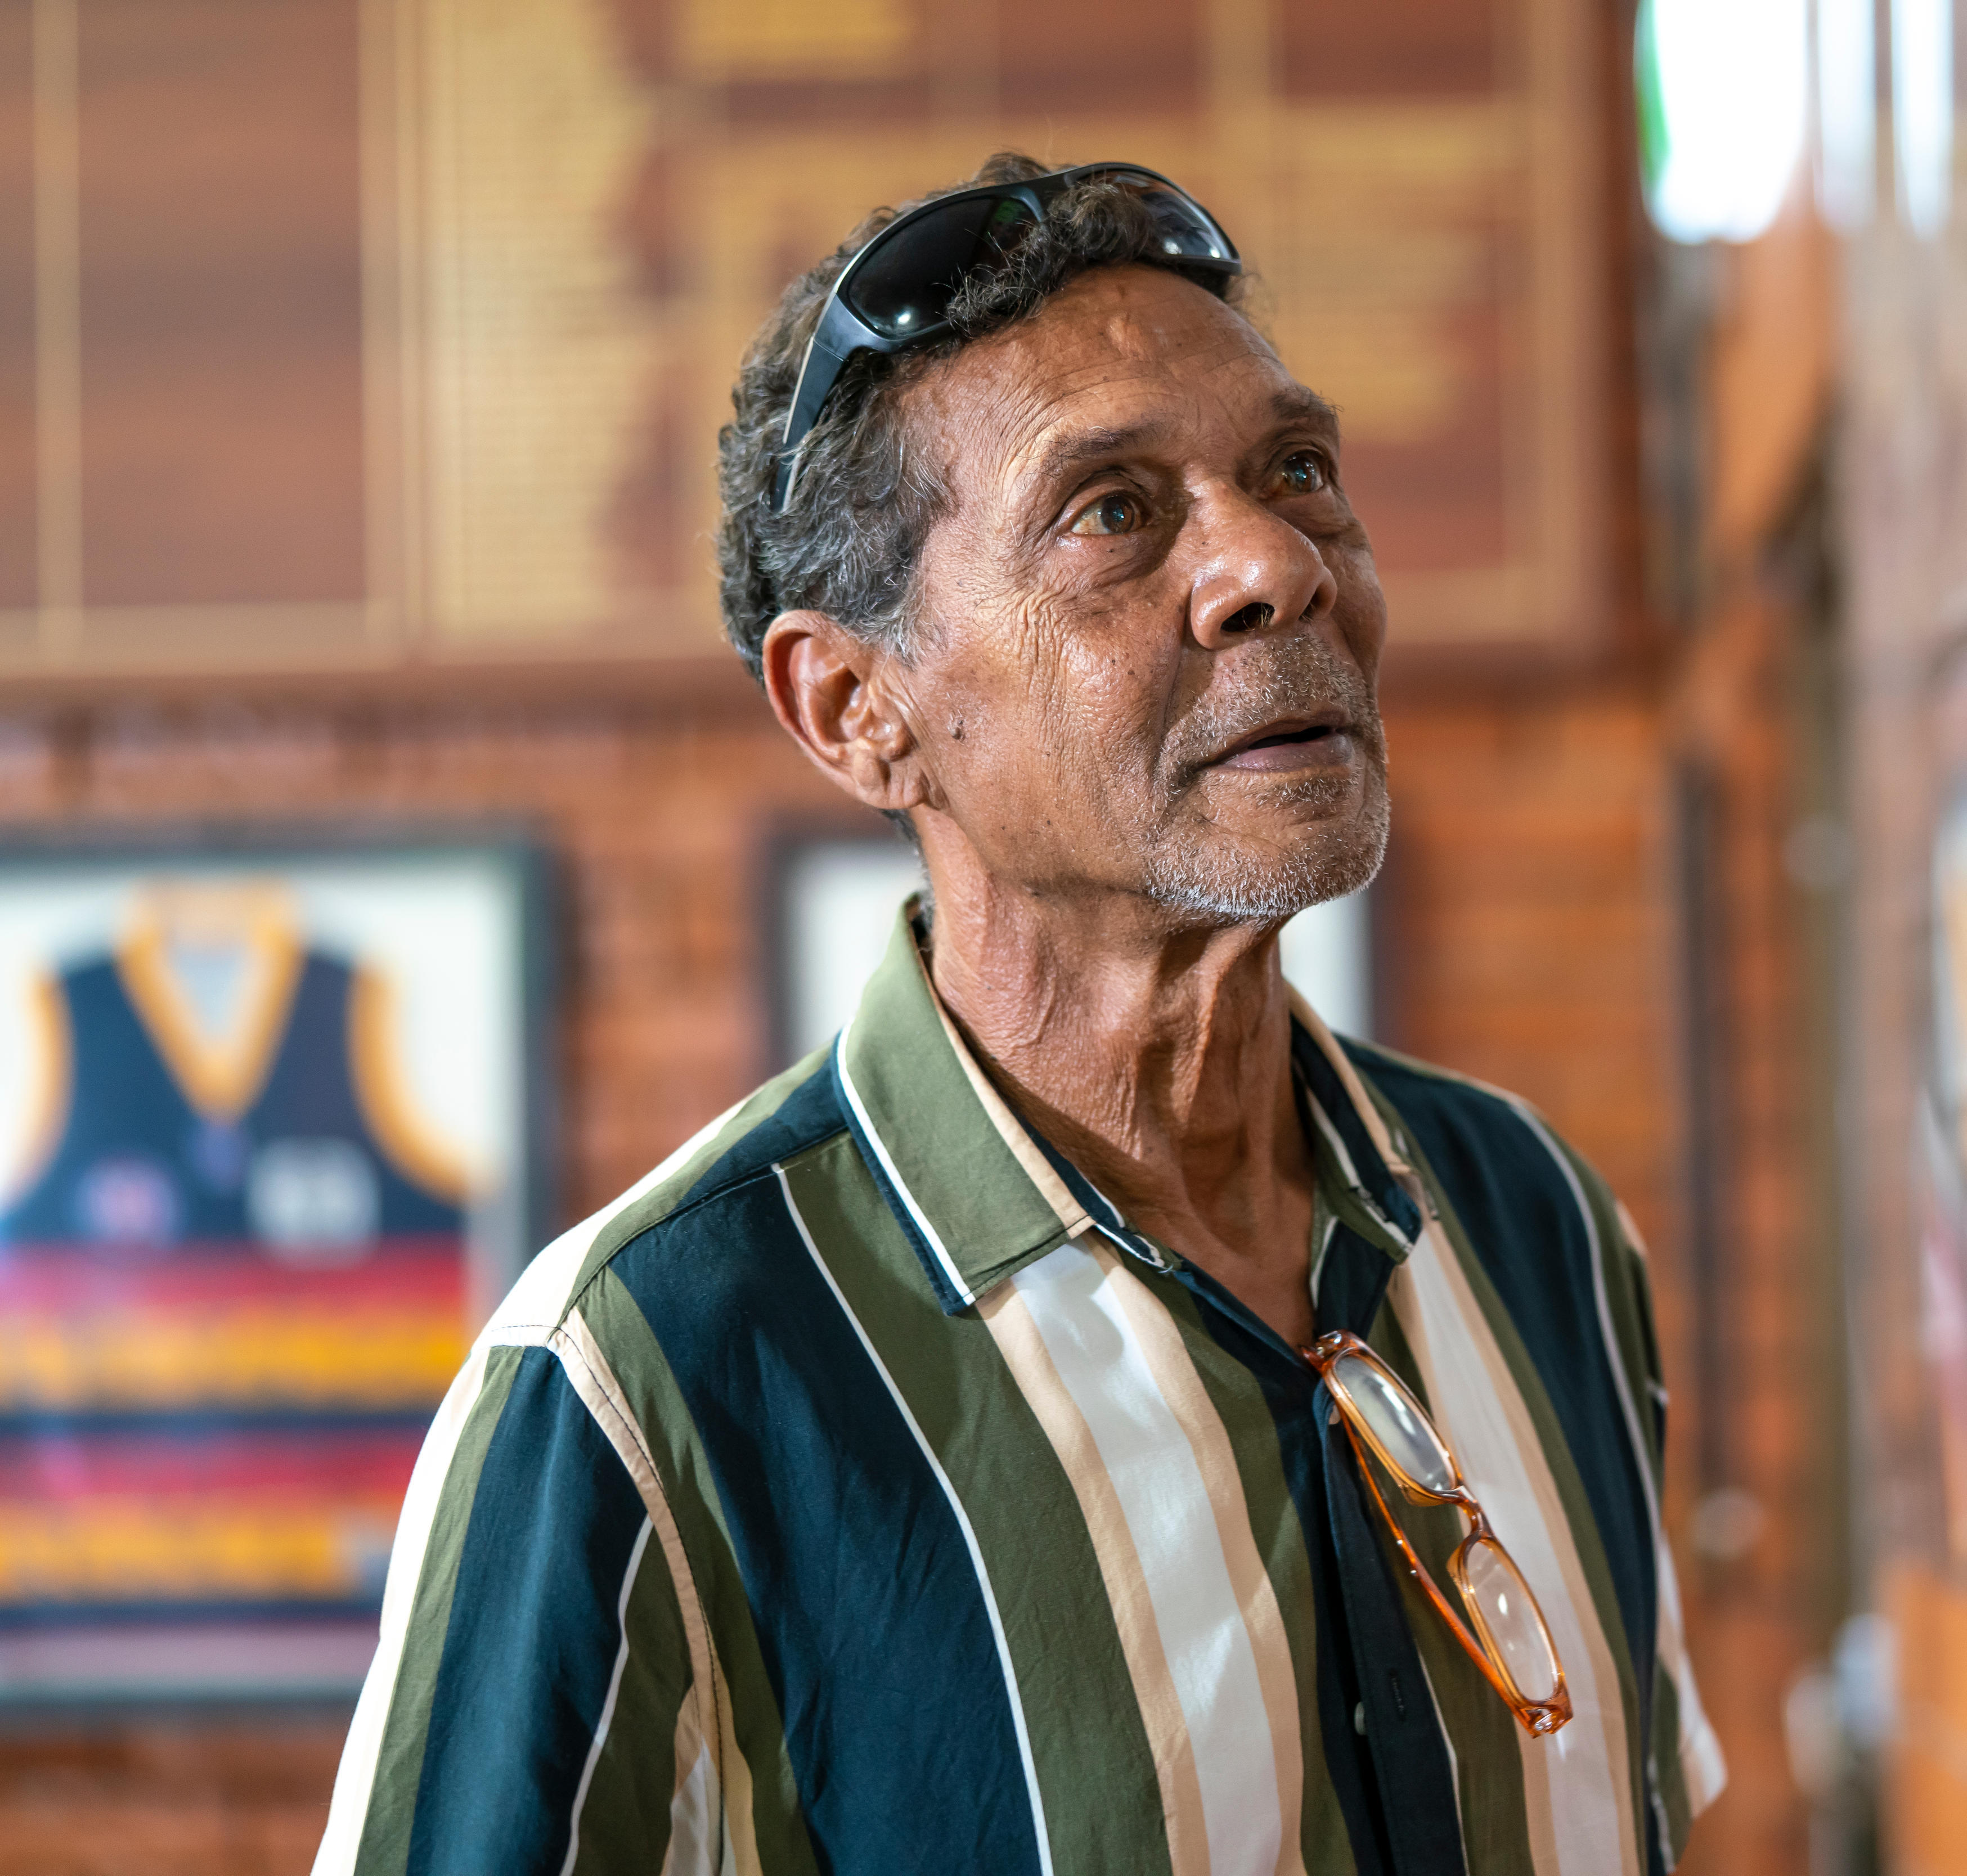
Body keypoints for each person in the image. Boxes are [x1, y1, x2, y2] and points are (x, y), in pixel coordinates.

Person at [314, 154, 1722, 1876]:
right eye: (1113, 512)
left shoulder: (1538, 1228)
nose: (1273, 564)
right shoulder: (647, 1376)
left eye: (1297, 470)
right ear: (856, 710)